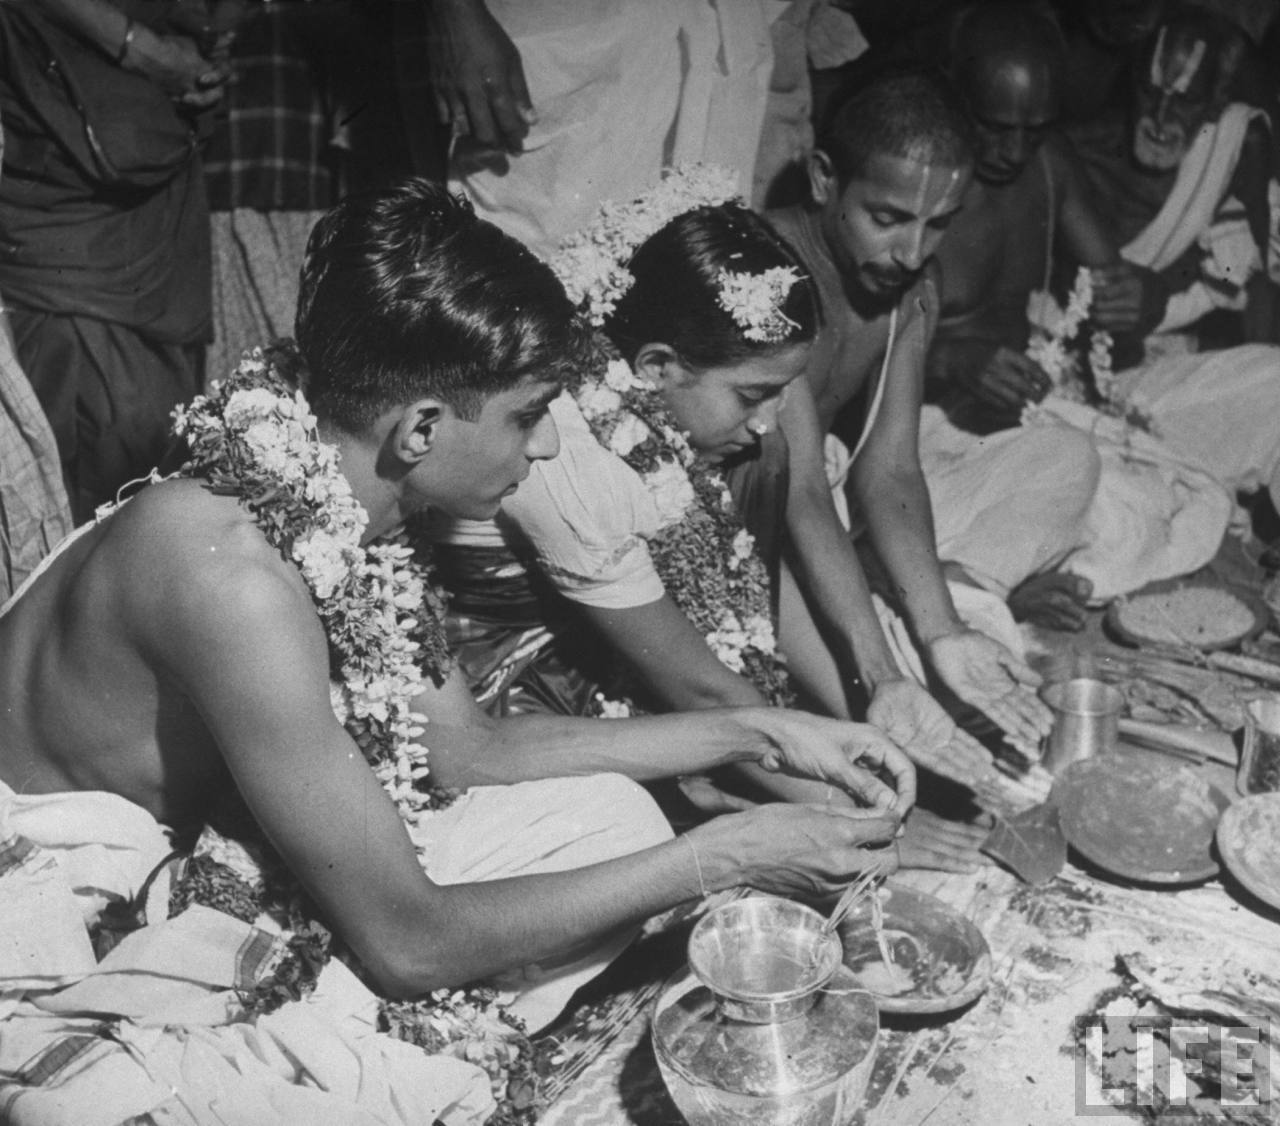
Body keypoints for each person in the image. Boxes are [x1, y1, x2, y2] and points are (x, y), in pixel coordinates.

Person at [0, 180, 912, 1122]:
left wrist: (759, 731)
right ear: (423, 427)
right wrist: (724, 858)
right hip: (43, 937)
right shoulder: (234, 580)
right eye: (528, 413)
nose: (552, 444)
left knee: (612, 818)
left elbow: (469, 750)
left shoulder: (347, 484)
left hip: (207, 864)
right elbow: (408, 944)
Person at [430, 191, 997, 868]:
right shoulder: (581, 460)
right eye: (754, 396)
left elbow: (747, 575)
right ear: (657, 367)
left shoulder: (681, 406)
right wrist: (854, 813)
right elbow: (699, 687)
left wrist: (874, 694)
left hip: (643, 636)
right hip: (517, 676)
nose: (770, 417)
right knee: (654, 829)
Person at [759, 66, 1057, 777]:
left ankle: (934, 603)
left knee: (1064, 458)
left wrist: (941, 629)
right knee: (895, 722)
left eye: (939, 224)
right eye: (888, 219)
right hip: (750, 524)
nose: (914, 252)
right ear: (825, 178)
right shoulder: (765, 271)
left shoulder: (912, 287)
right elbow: (795, 492)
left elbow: (889, 469)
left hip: (820, 508)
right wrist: (883, 667)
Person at [929, 2, 1280, 602]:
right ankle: (1015, 573)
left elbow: (1242, 271)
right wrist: (955, 358)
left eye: (1186, 105)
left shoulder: (1233, 145)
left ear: (1214, 111)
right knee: (1129, 505)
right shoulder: (1076, 148)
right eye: (1151, 96)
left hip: (1138, 371)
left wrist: (1166, 286)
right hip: (1021, 400)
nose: (1163, 118)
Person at [0, 0, 232, 522]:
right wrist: (141, 49)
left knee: (151, 435)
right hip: (65, 139)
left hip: (151, 136)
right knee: (82, 446)